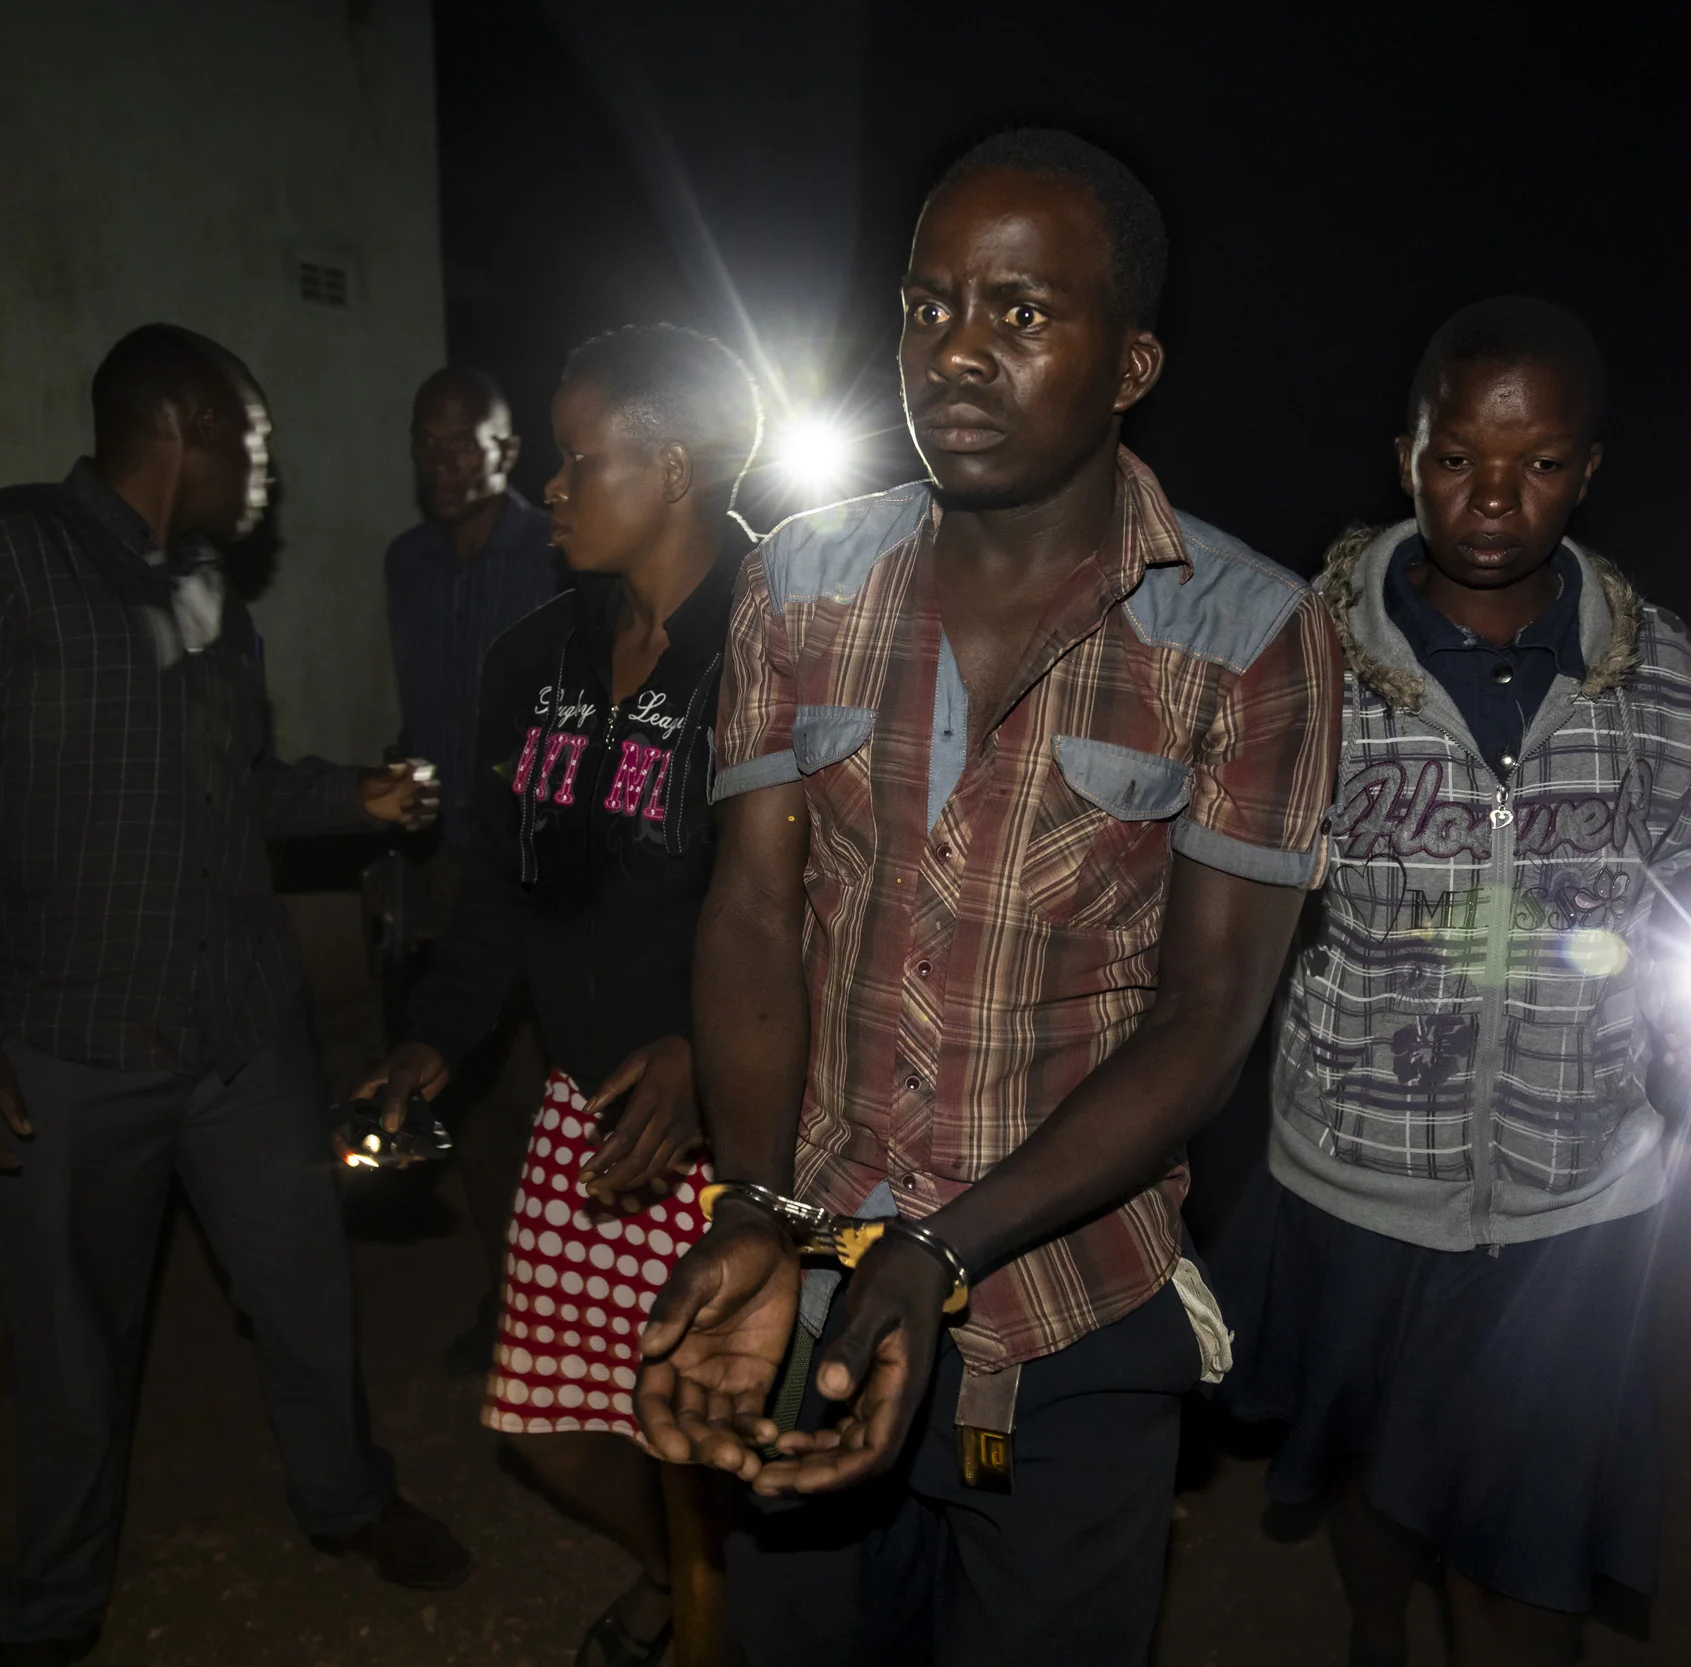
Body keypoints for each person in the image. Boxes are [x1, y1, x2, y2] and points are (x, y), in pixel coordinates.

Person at [635, 130, 1344, 1666]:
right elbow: (755, 916)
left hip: (1066, 1313)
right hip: (814, 1279)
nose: (955, 352)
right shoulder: (803, 585)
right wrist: (757, 1206)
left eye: (1021, 314)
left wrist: (943, 1245)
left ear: (1133, 358)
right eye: (927, 304)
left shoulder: (1248, 634)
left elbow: (1209, 1019)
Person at [0, 323, 471, 1667]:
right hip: (73, 1044)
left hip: (241, 1035)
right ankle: (57, 1597)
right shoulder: (1, 556)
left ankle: (345, 1496)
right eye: (255, 442)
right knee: (77, 1348)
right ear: (183, 425)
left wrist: (352, 798)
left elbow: (236, 793)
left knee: (308, 1283)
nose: (273, 474)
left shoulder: (211, 595)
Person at [1214, 298, 1691, 1667]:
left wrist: (1689, 1031)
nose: (1493, 497)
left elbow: (1676, 888)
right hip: (1360, 1168)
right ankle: (1378, 1625)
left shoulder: (1656, 666)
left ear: (1590, 471)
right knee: (1380, 1468)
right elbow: (1240, 897)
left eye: (1540, 463)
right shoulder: (1300, 656)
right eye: (1456, 459)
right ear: (1404, 454)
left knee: (1531, 1551)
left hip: (1581, 1186)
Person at [354, 323, 763, 1667]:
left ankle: (708, 1617)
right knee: (537, 1419)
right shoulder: (532, 658)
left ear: (679, 465)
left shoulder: (782, 640)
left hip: (735, 1126)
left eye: (584, 459)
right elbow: (506, 890)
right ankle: (679, 1580)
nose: (557, 490)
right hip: (590, 1113)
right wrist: (433, 1034)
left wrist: (710, 1053)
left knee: (709, 1439)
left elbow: (838, 911)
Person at [374, 367, 561, 1036]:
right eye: (426, 442)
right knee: (447, 1045)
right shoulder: (406, 562)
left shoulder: (557, 552)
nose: (441, 462)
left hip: (536, 855)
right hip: (437, 854)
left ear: (506, 452)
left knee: (542, 1047)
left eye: (462, 443)